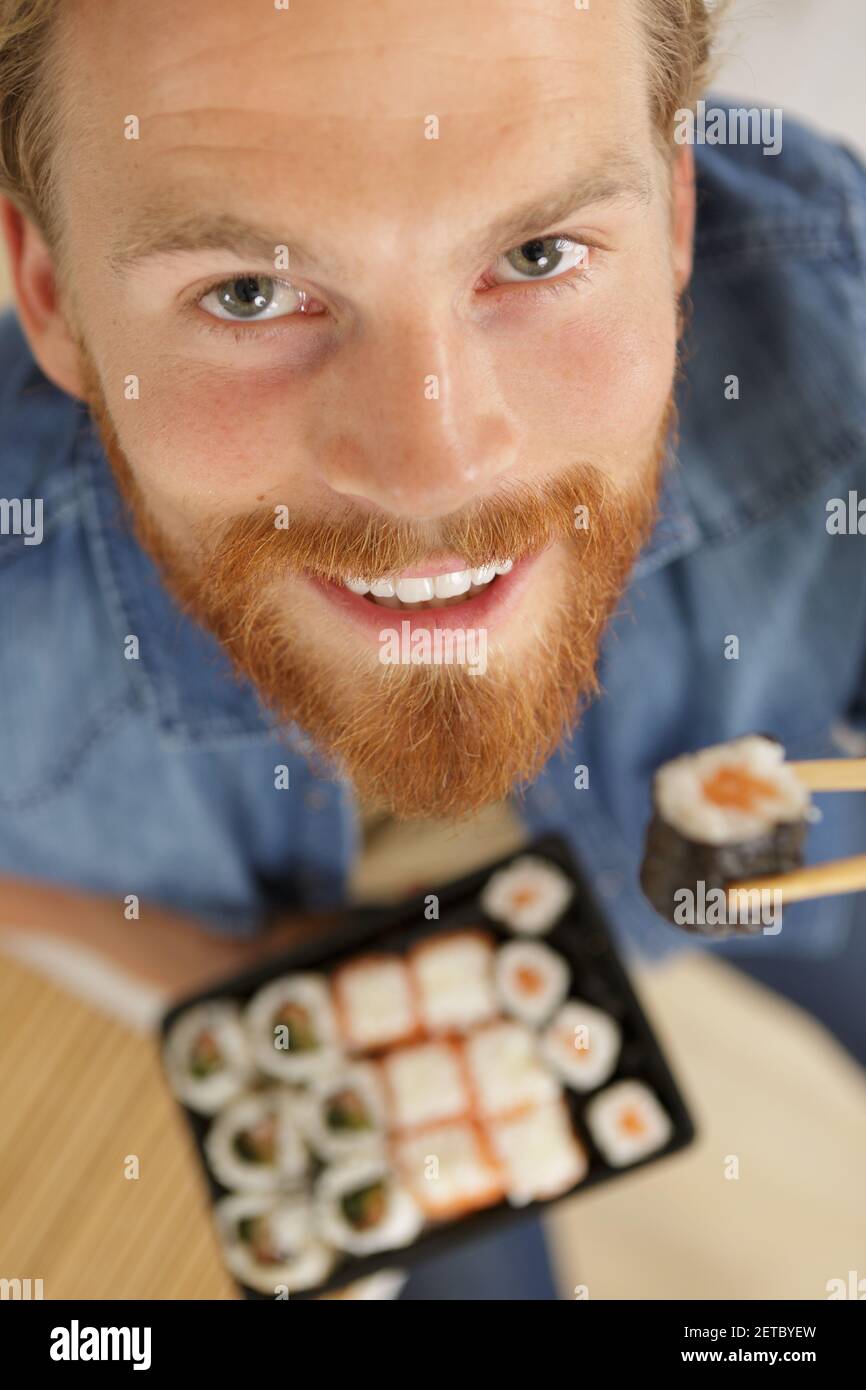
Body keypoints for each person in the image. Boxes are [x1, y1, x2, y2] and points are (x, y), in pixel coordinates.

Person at [0, 0, 864, 1299]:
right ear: (52, 297)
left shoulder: (825, 301)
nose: (430, 472)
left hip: (786, 846)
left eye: (533, 253)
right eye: (247, 291)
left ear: (676, 215)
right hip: (335, 1002)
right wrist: (204, 971)